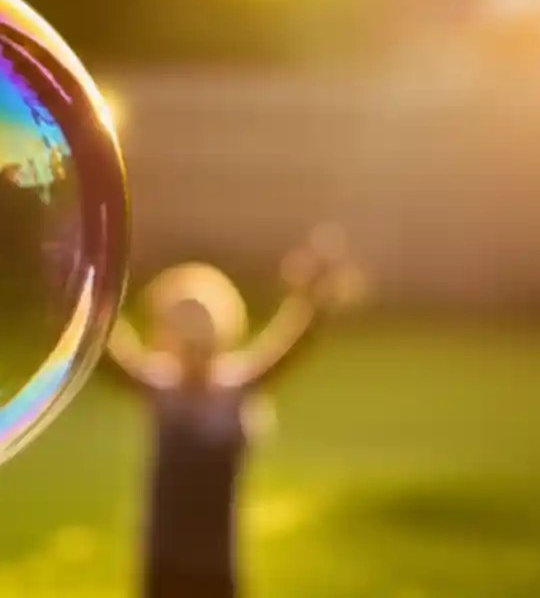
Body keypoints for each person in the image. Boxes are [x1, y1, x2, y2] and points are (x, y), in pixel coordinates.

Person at [108, 225, 362, 598]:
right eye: (185, 333)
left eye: (200, 334)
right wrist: (93, 297)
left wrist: (313, 297)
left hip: (214, 566)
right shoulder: (163, 387)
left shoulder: (233, 388)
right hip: (165, 563)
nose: (193, 348)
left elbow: (294, 346)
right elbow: (110, 357)